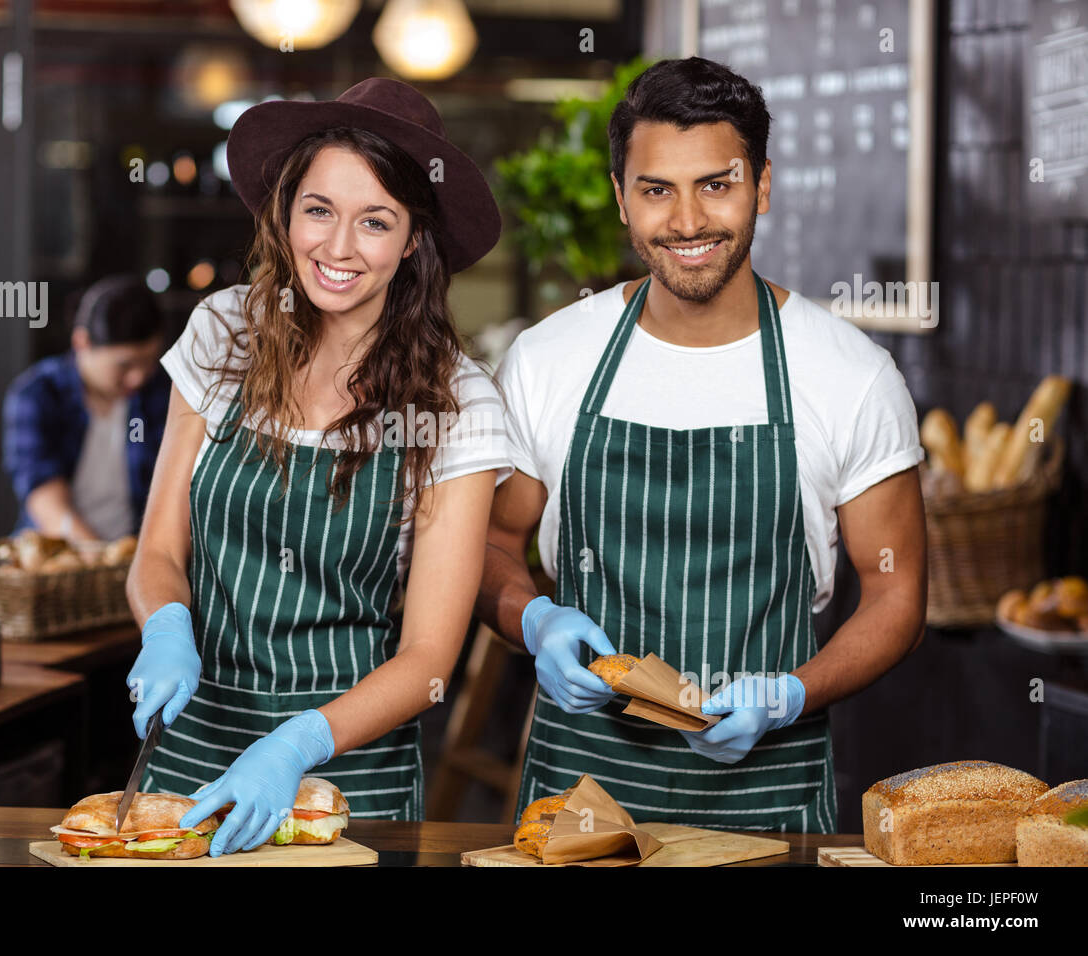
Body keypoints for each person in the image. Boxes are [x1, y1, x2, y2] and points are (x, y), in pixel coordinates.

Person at [476, 57, 928, 832]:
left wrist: (795, 691)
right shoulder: (550, 360)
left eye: (715, 184)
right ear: (621, 198)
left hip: (768, 803)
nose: (687, 221)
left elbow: (896, 594)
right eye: (657, 190)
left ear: (762, 186)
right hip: (577, 804)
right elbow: (492, 544)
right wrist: (532, 620)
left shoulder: (850, 375)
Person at [125, 78, 512, 855]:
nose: (337, 249)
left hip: (347, 775)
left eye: (375, 222)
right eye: (318, 210)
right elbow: (159, 553)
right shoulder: (224, 333)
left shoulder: (456, 402)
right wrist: (166, 626)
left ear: (413, 240)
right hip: (190, 750)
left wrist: (297, 745)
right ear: (286, 212)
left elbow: (431, 656)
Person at [2, 275, 170, 541]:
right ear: (82, 342)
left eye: (149, 362)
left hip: (134, 553)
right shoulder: (37, 394)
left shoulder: (161, 394)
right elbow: (42, 494)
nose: (138, 377)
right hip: (54, 552)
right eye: (125, 365)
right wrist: (98, 558)